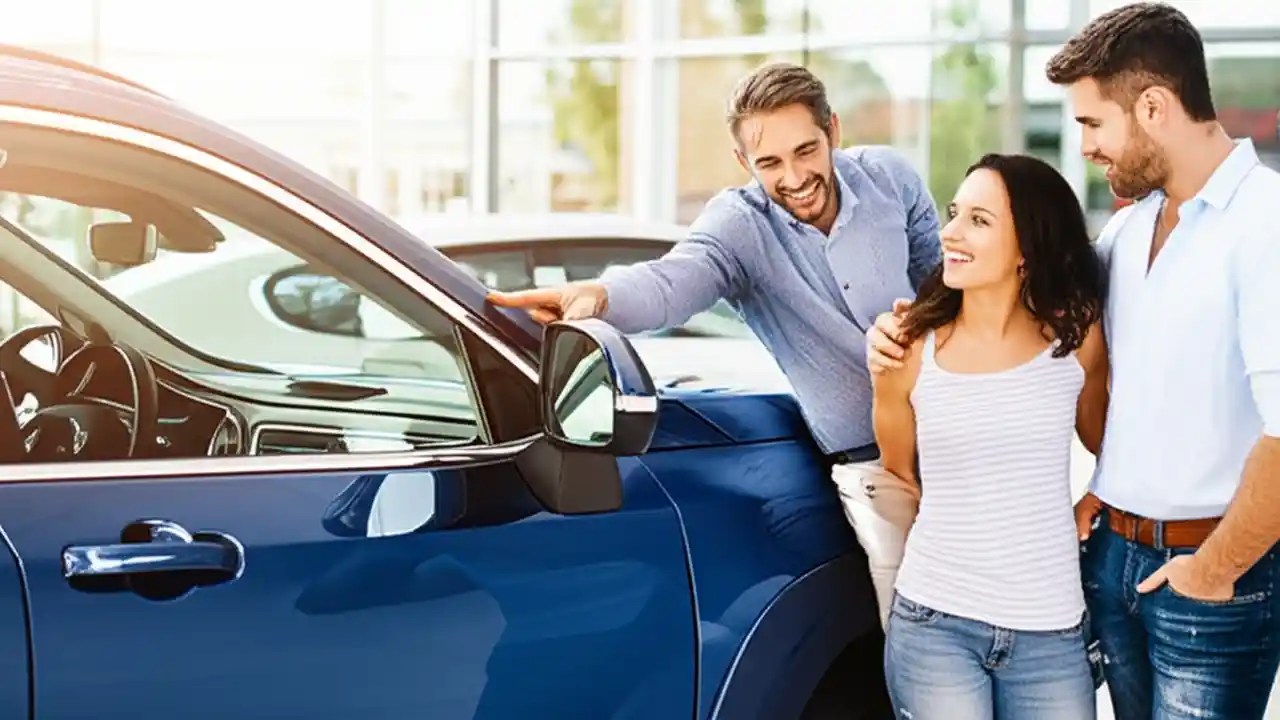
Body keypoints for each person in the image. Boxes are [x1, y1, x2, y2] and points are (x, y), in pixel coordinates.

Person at [870, 4, 1280, 718]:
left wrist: (1214, 571)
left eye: (1092, 123)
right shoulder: (1128, 231)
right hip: (1109, 564)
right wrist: (1109, 489)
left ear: (1152, 107)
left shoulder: (1265, 224)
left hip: (1210, 577)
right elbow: (1084, 370)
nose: (1085, 146)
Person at [487, 61, 941, 625]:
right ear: (743, 162)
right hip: (873, 471)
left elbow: (947, 289)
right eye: (769, 163)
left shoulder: (889, 178)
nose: (795, 177)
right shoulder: (740, 225)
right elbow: (672, 281)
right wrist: (600, 296)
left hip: (958, 435)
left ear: (833, 131)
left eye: (806, 151)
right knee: (918, 632)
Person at [869, 153, 1107, 719]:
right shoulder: (908, 349)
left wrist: (1099, 495)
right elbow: (900, 474)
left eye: (978, 220)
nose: (949, 232)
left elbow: (1110, 446)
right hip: (935, 623)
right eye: (954, 213)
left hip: (1051, 629)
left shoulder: (1077, 339)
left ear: (1028, 247)